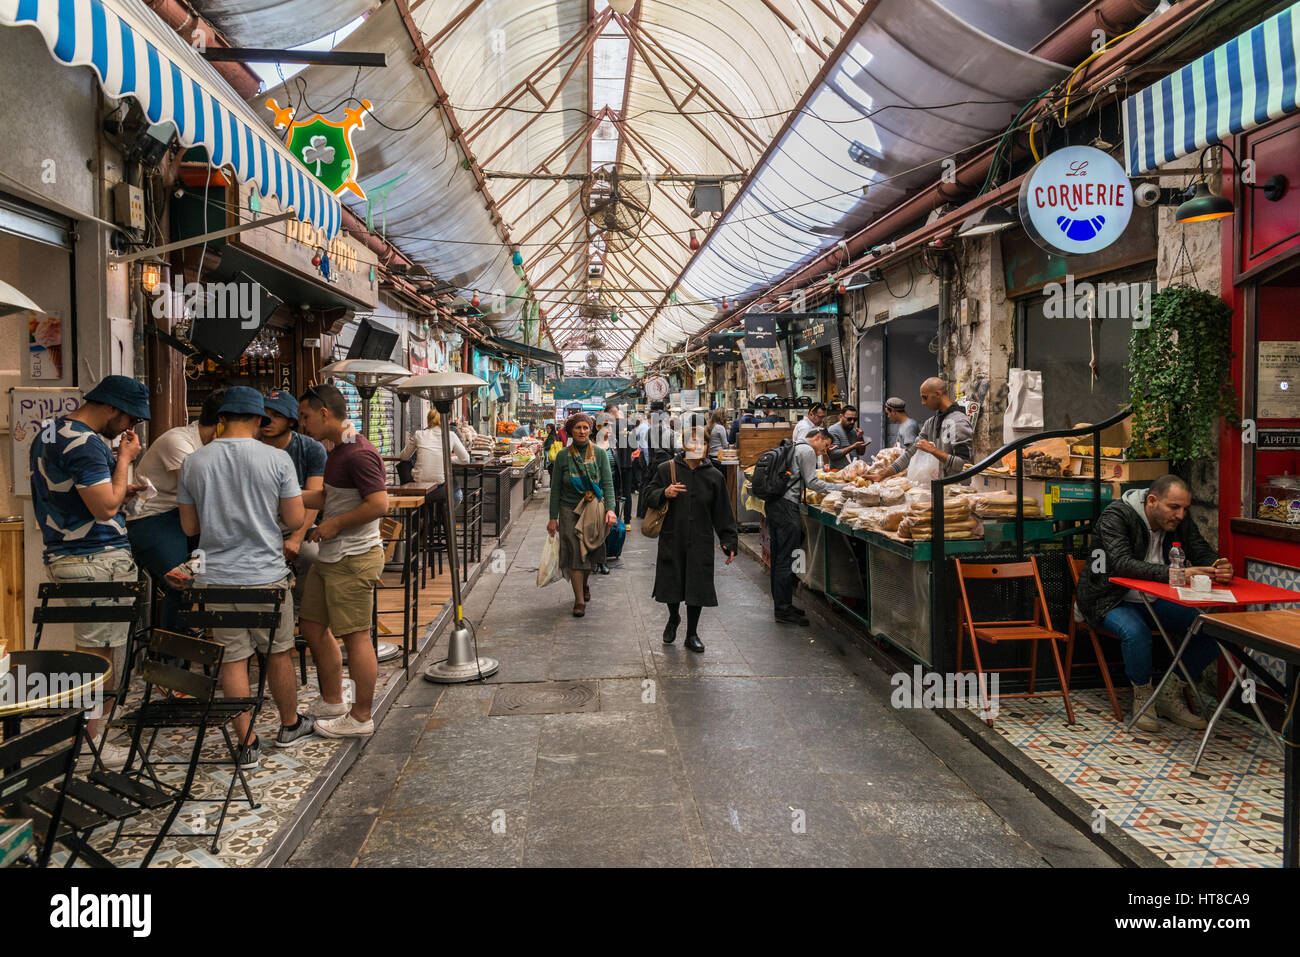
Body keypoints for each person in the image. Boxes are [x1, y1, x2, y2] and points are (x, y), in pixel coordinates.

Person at [177, 387, 313, 767]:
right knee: (278, 653)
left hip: (215, 578)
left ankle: (247, 744)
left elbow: (189, 526)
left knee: (233, 660)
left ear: (222, 419)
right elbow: (295, 520)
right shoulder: (277, 460)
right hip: (265, 575)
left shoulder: (194, 462)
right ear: (258, 420)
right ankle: (289, 725)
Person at [29, 374, 149, 760]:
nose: (131, 428)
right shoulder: (86, 443)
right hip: (96, 558)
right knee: (99, 653)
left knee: (92, 648)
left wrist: (118, 485)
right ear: (111, 407)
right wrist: (124, 462)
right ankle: (91, 743)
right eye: (130, 418)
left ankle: (89, 736)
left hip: (67, 554)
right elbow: (105, 508)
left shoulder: (51, 431)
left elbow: (75, 495)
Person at [1077, 475, 1230, 731]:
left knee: (1213, 629)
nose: (1180, 515)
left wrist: (1218, 565)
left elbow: (1198, 548)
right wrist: (1178, 573)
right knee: (1136, 633)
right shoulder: (1117, 516)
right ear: (1152, 501)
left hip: (1154, 598)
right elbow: (1121, 564)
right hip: (1109, 597)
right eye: (1174, 507)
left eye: (1185, 509)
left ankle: (1169, 694)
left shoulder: (1177, 519)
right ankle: (1144, 699)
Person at [296, 384, 390, 738]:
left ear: (324, 413)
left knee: (356, 637)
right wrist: (286, 494)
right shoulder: (337, 450)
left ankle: (361, 716)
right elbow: (329, 496)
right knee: (312, 625)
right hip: (331, 556)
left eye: (305, 417)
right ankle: (333, 699)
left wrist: (332, 524)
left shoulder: (358, 453)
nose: (302, 425)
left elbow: (379, 505)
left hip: (353, 557)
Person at [127, 389, 222, 630]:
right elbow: (199, 492)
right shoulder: (178, 442)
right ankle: (170, 657)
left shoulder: (214, 447)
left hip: (183, 518)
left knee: (220, 558)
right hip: (150, 519)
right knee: (181, 585)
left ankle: (192, 639)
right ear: (222, 423)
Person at [643, 414, 738, 654]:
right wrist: (665, 492)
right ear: (684, 445)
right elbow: (647, 495)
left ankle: (692, 633)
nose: (700, 447)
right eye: (694, 442)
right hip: (672, 537)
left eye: (703, 443)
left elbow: (723, 512)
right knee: (672, 583)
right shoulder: (667, 469)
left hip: (701, 540)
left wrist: (728, 540)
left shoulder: (714, 476)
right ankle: (674, 617)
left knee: (698, 586)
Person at [259, 391, 331, 684]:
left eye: (275, 415)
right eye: (264, 414)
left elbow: (313, 500)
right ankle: (263, 624)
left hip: (301, 524)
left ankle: (301, 618)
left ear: (291, 421)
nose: (267, 421)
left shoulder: (310, 449)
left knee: (311, 557)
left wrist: (296, 539)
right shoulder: (253, 448)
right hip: (262, 527)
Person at [546, 413, 617, 617]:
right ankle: (579, 600)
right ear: (570, 431)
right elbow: (556, 488)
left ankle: (584, 583)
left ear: (590, 430)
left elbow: (607, 484)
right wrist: (553, 517)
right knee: (575, 554)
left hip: (593, 508)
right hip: (568, 510)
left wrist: (610, 509)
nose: (582, 431)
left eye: (586, 428)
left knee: (590, 552)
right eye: (578, 428)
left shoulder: (599, 454)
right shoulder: (562, 456)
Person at [768, 427, 836, 624]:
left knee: (779, 555)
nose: (824, 451)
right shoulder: (806, 450)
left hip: (775, 504)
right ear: (817, 437)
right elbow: (813, 483)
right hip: (787, 508)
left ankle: (782, 604)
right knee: (786, 558)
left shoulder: (794, 446)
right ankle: (782, 609)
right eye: (825, 446)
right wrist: (841, 488)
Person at [867, 379, 972, 481]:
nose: (923, 403)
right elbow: (910, 454)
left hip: (958, 491)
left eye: (925, 397)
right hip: (940, 489)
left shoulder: (959, 421)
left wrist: (933, 450)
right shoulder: (930, 423)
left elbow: (964, 465)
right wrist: (883, 474)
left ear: (938, 394)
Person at [397, 407, 469, 502]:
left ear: (429, 420)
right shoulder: (450, 435)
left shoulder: (419, 434)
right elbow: (465, 459)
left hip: (418, 484)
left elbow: (403, 456)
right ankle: (443, 515)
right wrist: (447, 459)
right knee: (454, 489)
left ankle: (422, 514)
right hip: (439, 487)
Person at [827, 405, 869, 470]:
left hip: (853, 472)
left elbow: (861, 452)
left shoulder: (853, 430)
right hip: (838, 473)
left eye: (854, 419)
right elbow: (833, 454)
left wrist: (860, 438)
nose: (852, 422)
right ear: (841, 417)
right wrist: (853, 446)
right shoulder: (833, 430)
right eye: (849, 419)